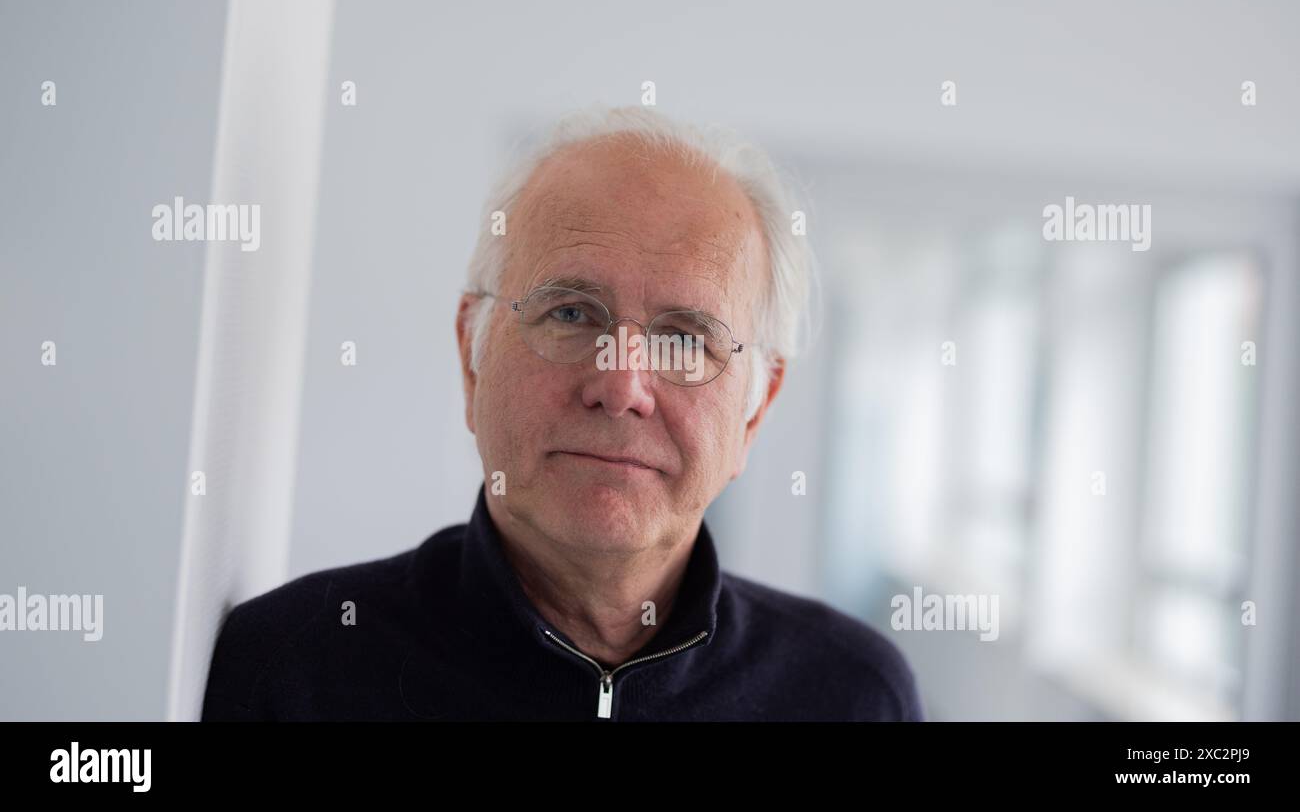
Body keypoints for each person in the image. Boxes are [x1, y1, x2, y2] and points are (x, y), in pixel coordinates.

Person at [201, 107, 923, 721]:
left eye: (683, 338)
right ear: (471, 356)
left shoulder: (853, 696)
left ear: (755, 410)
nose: (621, 384)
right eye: (571, 312)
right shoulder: (294, 666)